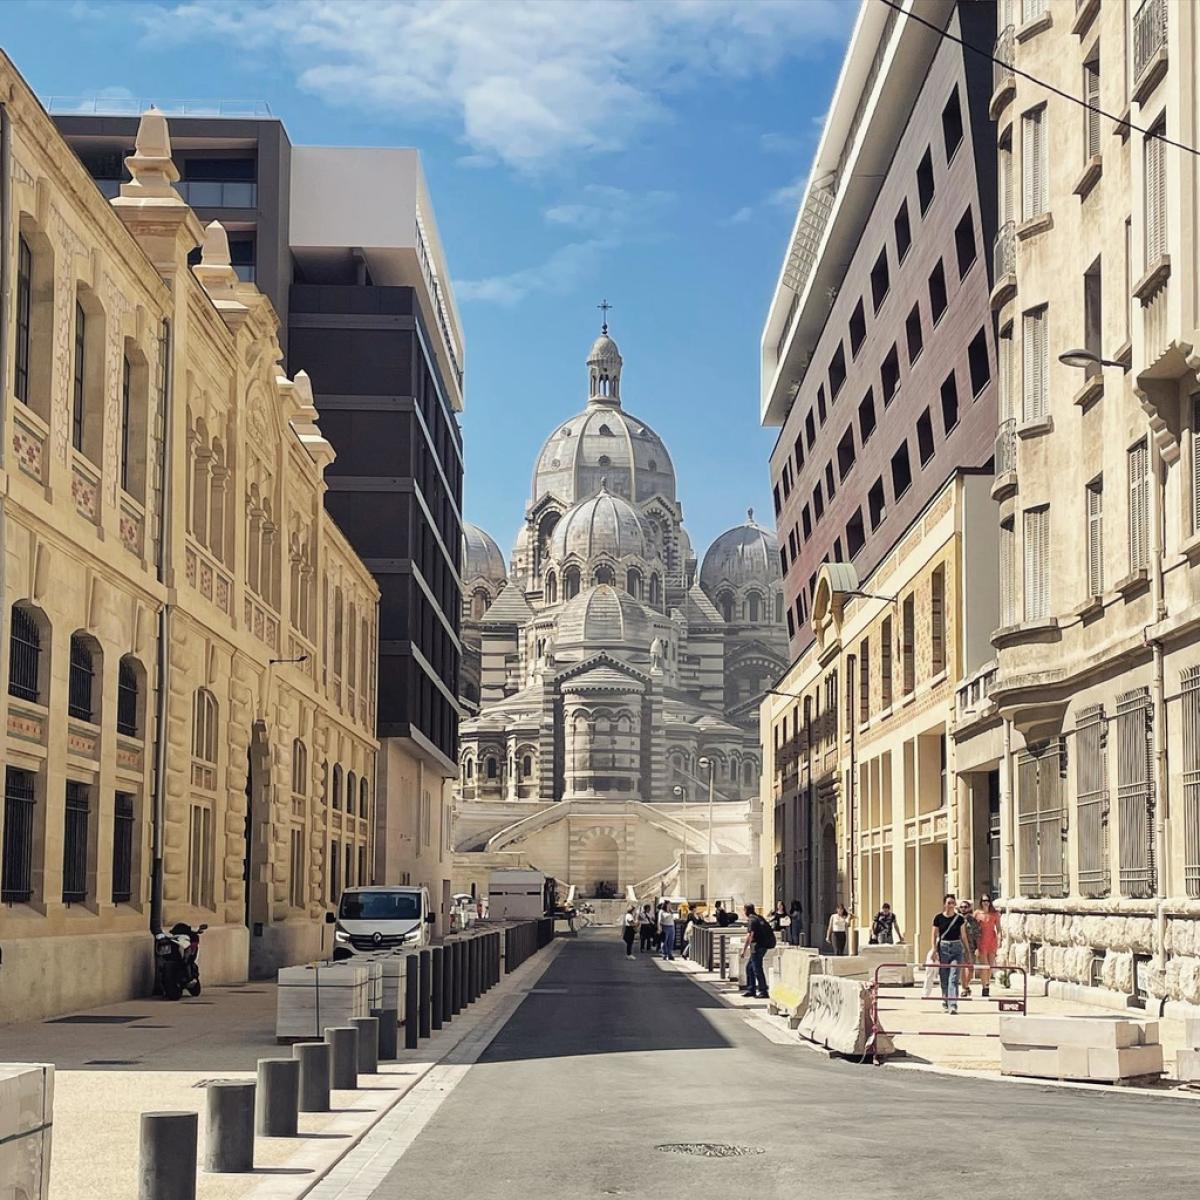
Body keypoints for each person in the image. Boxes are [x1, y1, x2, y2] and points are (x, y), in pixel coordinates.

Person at [932, 893, 968, 1014]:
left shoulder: (959, 919)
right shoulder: (938, 918)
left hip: (956, 947)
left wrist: (967, 950)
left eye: (953, 903)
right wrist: (934, 950)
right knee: (944, 976)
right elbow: (934, 935)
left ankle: (953, 1004)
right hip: (943, 948)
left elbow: (963, 935)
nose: (951, 905)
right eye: (949, 903)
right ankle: (945, 1000)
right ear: (944, 904)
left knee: (953, 977)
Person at [741, 903, 775, 998]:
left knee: (757, 969)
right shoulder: (758, 917)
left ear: (746, 910)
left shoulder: (752, 920)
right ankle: (751, 989)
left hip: (757, 947)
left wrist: (743, 950)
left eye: (744, 910)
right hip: (762, 946)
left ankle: (763, 990)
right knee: (750, 967)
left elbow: (750, 936)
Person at [974, 894, 1001, 997]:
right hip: (981, 940)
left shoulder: (994, 914)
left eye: (988, 900)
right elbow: (973, 928)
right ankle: (984, 987)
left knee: (990, 965)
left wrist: (999, 939)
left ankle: (987, 984)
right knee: (984, 965)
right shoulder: (977, 914)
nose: (986, 902)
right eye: (984, 900)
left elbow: (998, 928)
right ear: (981, 902)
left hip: (992, 940)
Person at [957, 898, 980, 996]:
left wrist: (978, 947)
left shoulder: (973, 920)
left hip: (971, 947)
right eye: (961, 907)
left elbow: (977, 934)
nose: (963, 909)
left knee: (970, 969)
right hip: (959, 946)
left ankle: (966, 985)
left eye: (965, 907)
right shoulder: (957, 919)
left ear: (969, 908)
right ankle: (964, 988)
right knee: (962, 968)